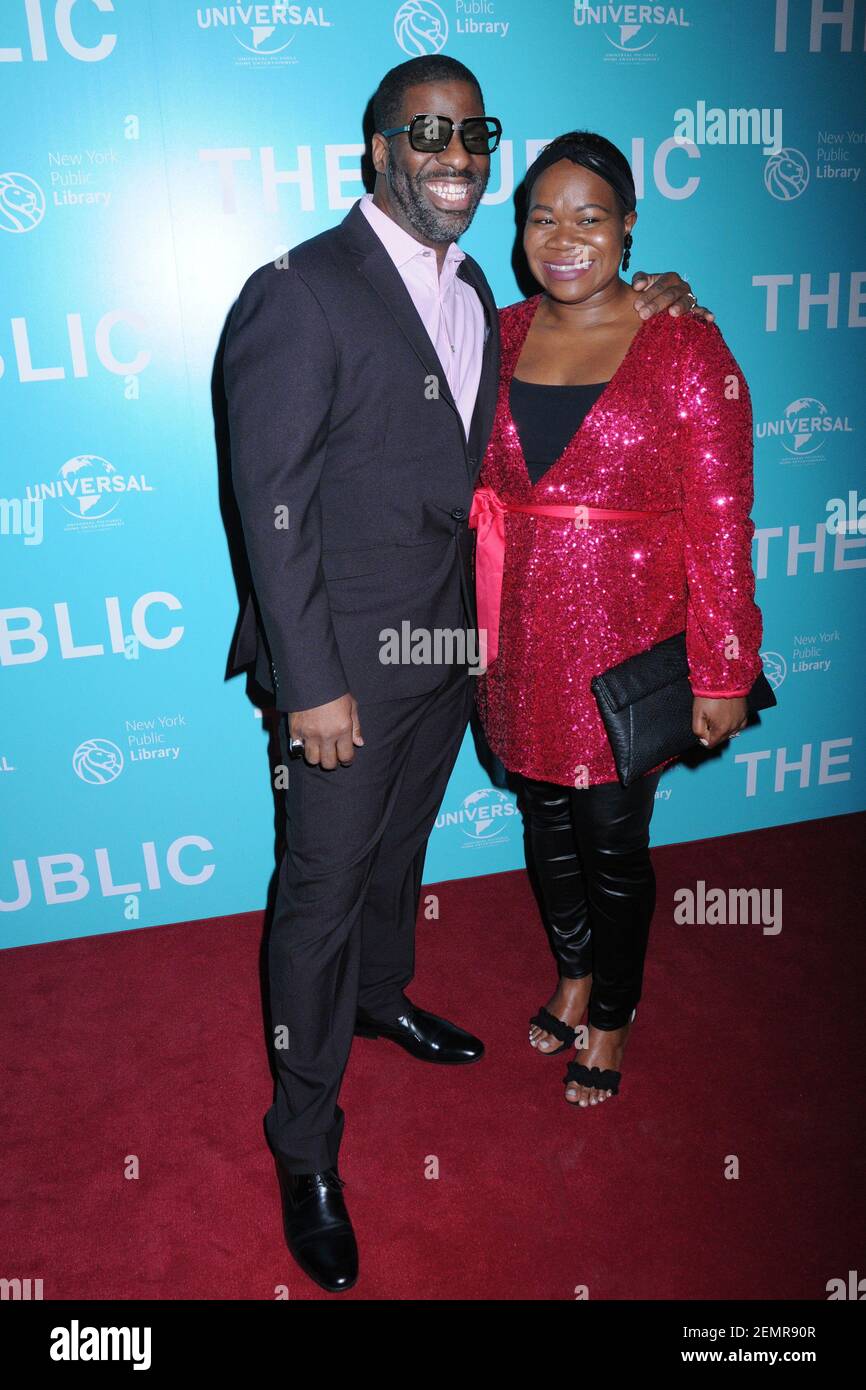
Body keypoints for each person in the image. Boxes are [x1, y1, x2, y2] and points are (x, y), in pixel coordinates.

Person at [224, 64, 703, 1293]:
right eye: (424, 133)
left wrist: (646, 299)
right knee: (320, 889)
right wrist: (313, 682)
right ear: (374, 148)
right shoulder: (301, 292)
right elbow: (268, 507)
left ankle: (384, 997)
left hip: (444, 649)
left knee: (398, 855)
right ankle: (304, 1144)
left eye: (472, 134)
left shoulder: (482, 286)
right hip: (342, 672)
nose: (453, 153)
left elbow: (529, 391)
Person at [471, 131, 763, 1111]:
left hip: (625, 641)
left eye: (588, 216)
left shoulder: (683, 342)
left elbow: (721, 517)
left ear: (627, 225)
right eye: (540, 216)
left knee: (609, 836)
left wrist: (722, 669)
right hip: (517, 637)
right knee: (542, 823)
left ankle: (612, 1011)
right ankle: (572, 970)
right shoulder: (496, 337)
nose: (563, 236)